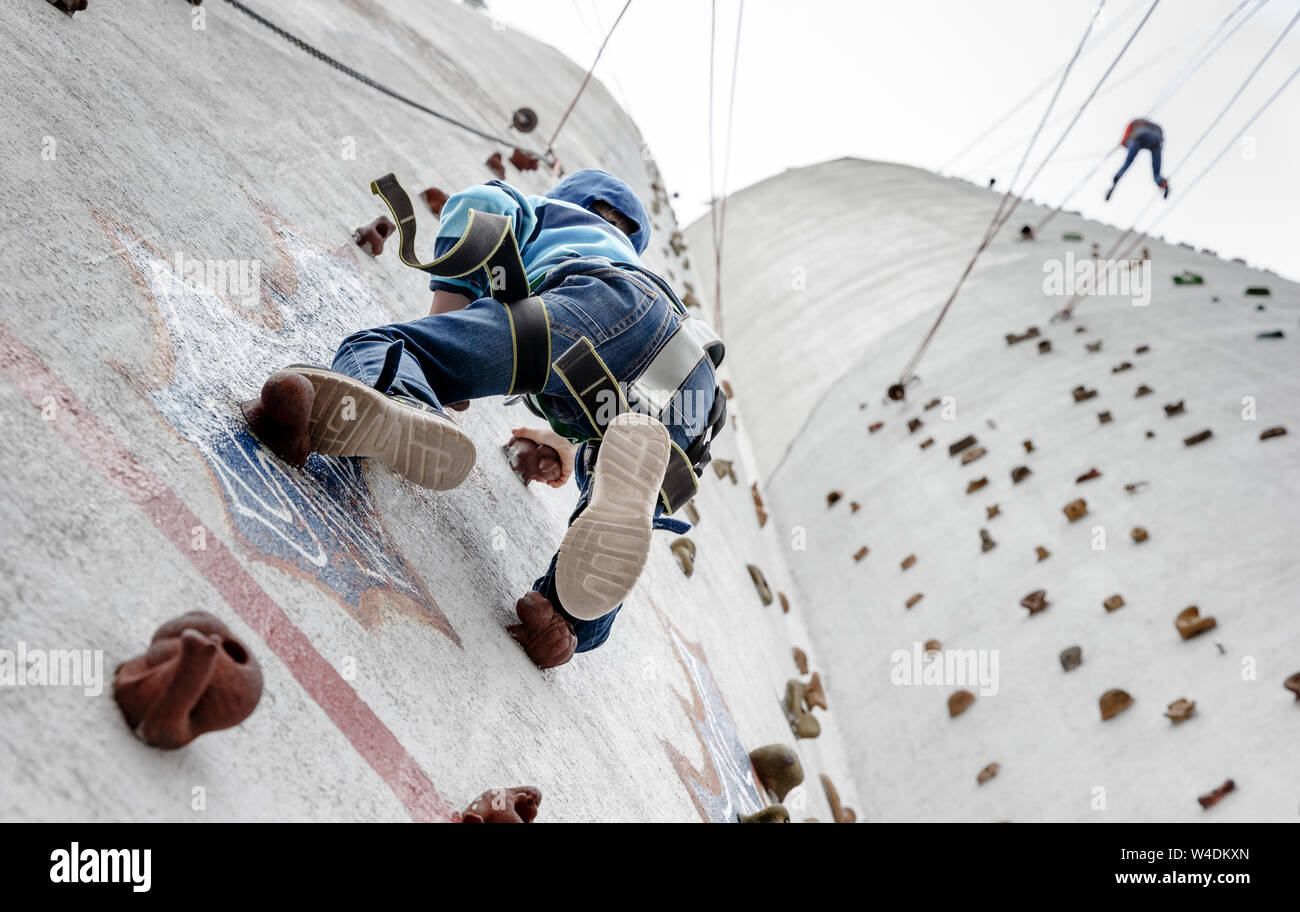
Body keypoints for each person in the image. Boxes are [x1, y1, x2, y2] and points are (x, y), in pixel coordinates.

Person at [242, 169, 724, 669]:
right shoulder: (635, 264)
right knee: (619, 474)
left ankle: (406, 398)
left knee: (388, 347)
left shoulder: (550, 215)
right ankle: (569, 619)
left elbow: (479, 207)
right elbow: (626, 350)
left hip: (603, 308)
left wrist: (445, 321)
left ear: (572, 198)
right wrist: (554, 441)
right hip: (692, 375)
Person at [1106, 118, 1169, 200]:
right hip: (1157, 139)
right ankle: (1161, 182)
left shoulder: (1134, 127)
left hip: (1141, 137)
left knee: (1127, 163)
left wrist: (1123, 142)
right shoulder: (1150, 126)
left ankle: (1116, 178)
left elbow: (1126, 139)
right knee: (1156, 172)